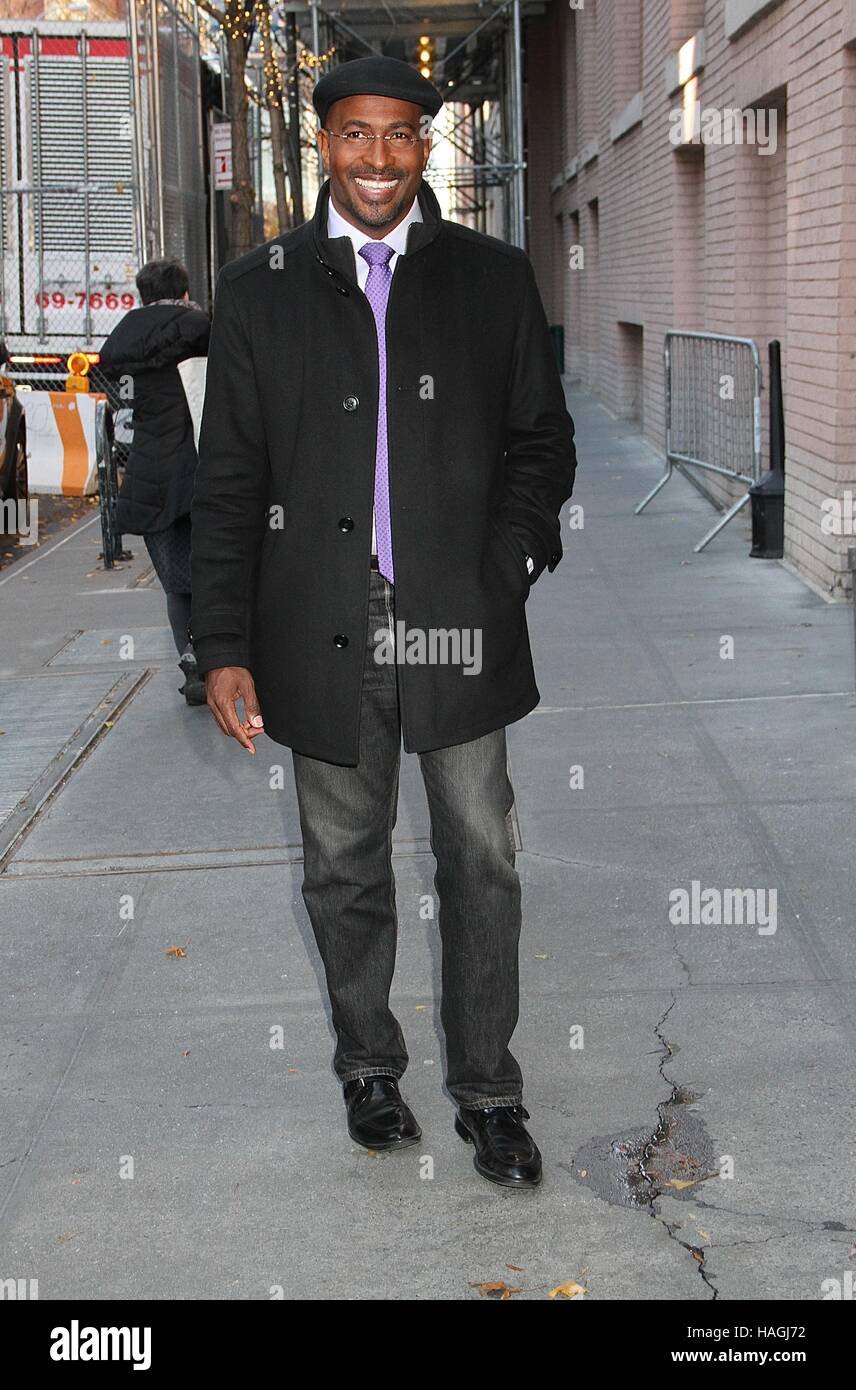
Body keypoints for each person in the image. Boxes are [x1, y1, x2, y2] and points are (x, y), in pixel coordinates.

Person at [190, 56, 577, 1188]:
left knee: (483, 859)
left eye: (401, 135)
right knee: (343, 863)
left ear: (424, 147)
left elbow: (540, 440)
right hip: (318, 617)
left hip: (457, 616)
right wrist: (223, 644)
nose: (377, 156)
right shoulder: (259, 287)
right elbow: (227, 481)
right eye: (356, 133)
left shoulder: (491, 278)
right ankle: (369, 1066)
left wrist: (508, 555)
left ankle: (489, 1090)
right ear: (325, 142)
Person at [100, 258, 210, 704]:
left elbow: (119, 414)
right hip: (202, 469)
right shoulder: (202, 329)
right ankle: (213, 658)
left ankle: (189, 661)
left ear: (142, 296)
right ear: (183, 292)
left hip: (148, 476)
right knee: (212, 569)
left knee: (175, 580)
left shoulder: (121, 341)